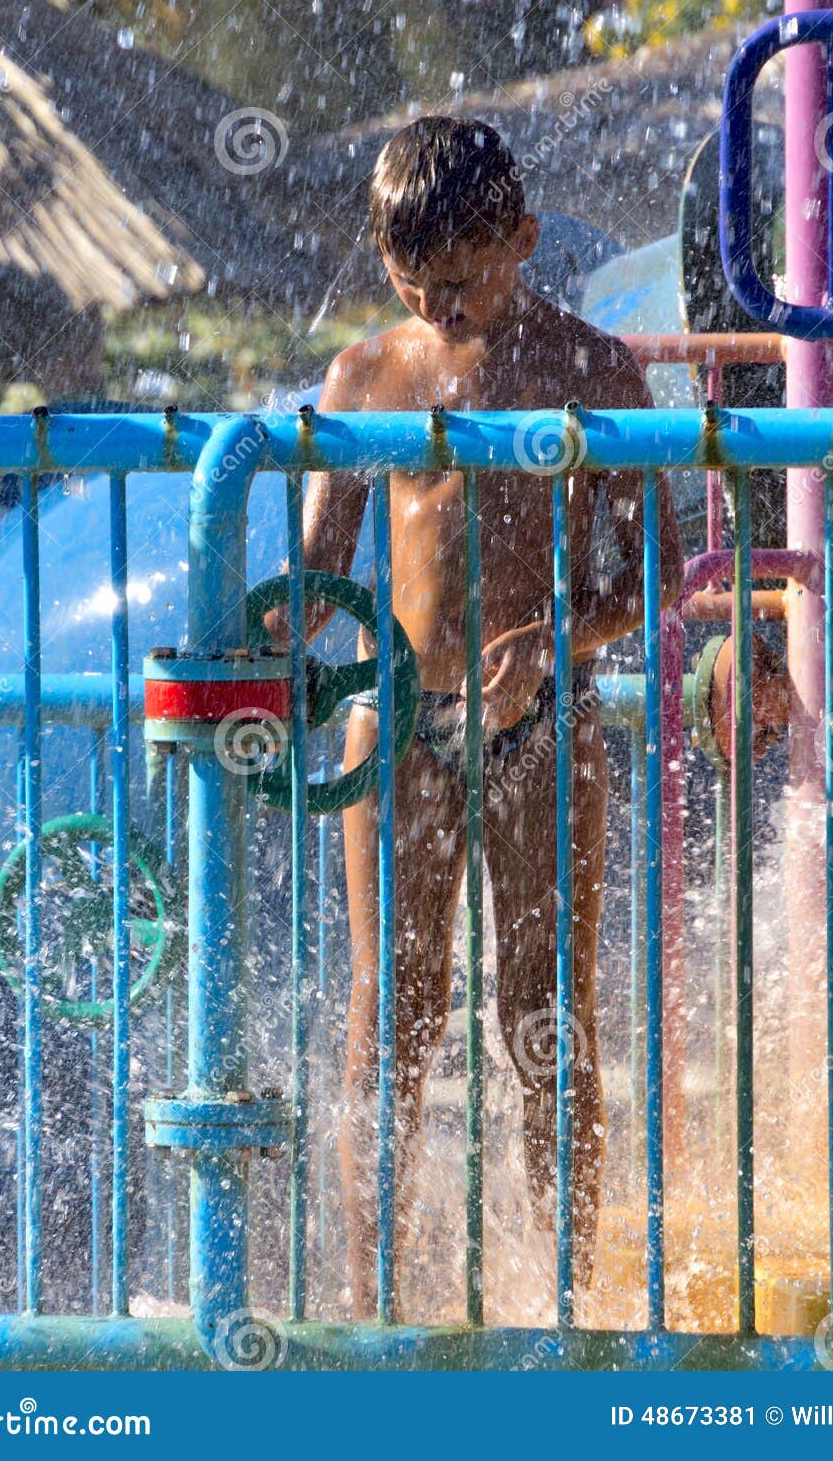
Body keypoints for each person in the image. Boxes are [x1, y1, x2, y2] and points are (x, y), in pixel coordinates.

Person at [285, 115, 682, 1316]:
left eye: (462, 277)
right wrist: (251, 649)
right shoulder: (362, 380)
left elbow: (657, 570)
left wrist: (559, 635)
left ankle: (568, 1287)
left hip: (540, 729)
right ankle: (372, 1295)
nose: (439, 303)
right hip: (396, 731)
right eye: (413, 281)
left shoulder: (593, 373)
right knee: (389, 1011)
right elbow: (315, 574)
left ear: (522, 238)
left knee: (541, 1010)